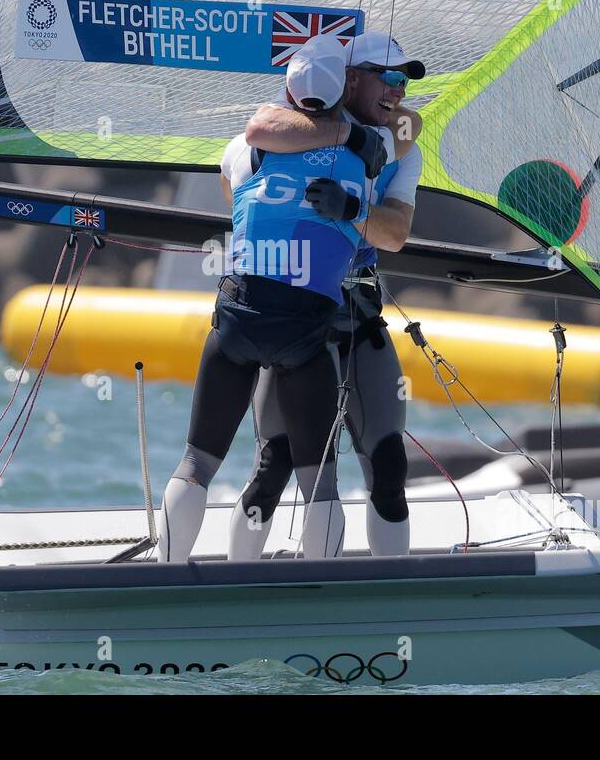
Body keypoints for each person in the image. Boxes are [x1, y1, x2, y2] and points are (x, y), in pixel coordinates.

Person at [157, 38, 398, 562]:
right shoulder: (370, 153)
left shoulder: (245, 147)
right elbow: (388, 220)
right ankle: (322, 588)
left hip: (237, 320)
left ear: (288, 90)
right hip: (305, 332)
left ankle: (166, 571)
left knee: (197, 462)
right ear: (346, 89)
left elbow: (231, 185)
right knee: (319, 482)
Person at [225, 31, 425, 559]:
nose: (399, 92)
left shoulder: (401, 144)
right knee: (276, 467)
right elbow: (256, 137)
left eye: (405, 82)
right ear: (349, 78)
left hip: (358, 321)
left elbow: (396, 234)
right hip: (294, 323)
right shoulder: (279, 131)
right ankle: (234, 589)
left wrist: (353, 210)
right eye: (390, 78)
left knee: (389, 466)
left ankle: (390, 602)